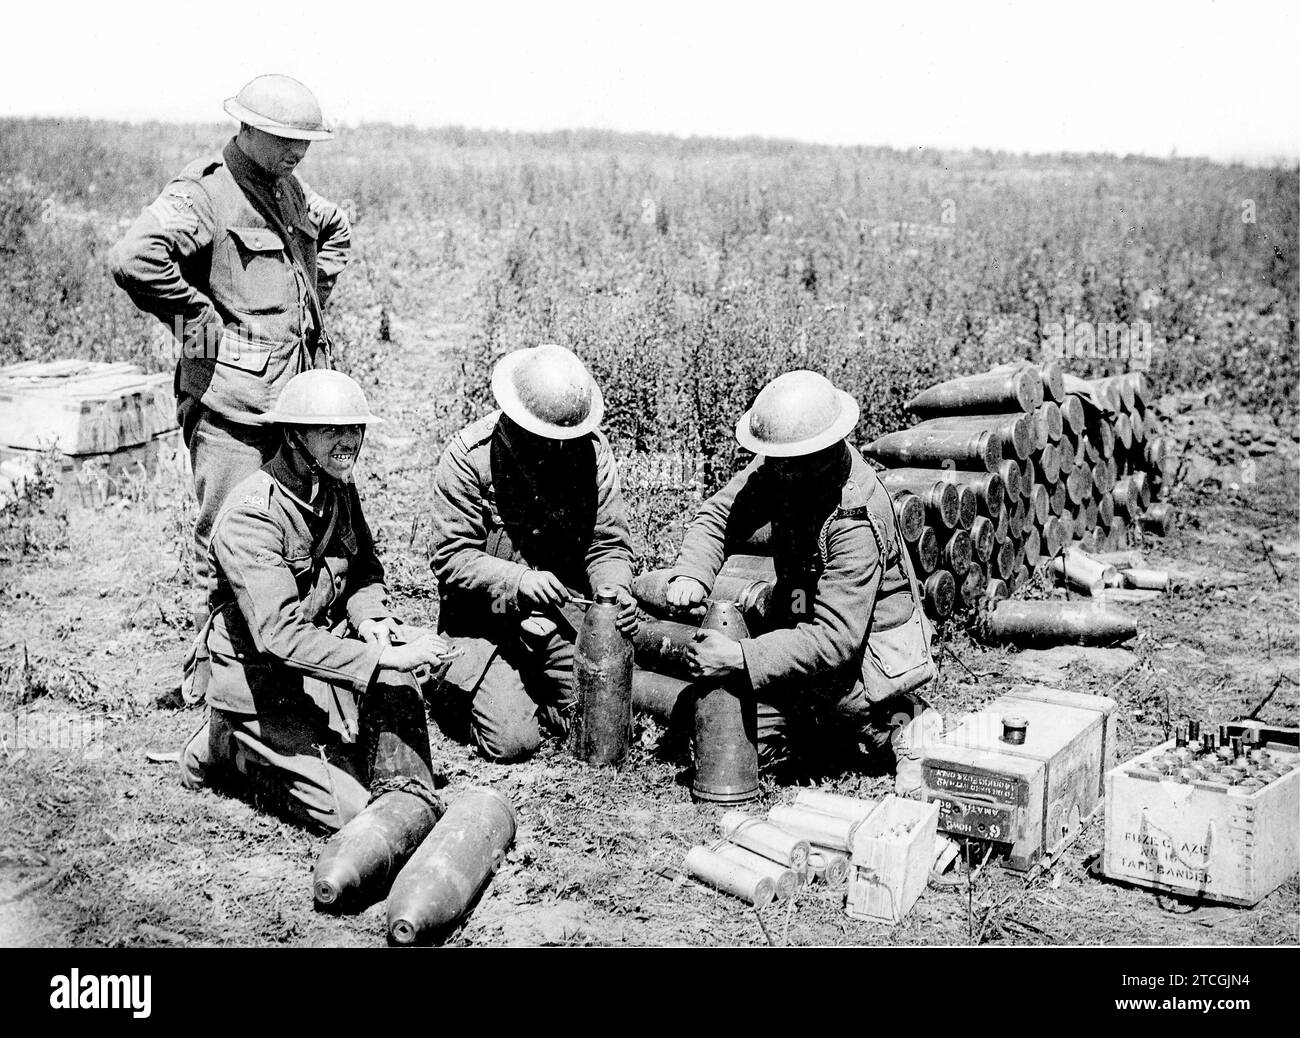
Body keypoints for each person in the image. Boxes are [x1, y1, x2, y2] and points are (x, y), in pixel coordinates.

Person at [109, 74, 352, 634]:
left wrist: (312, 308)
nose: (299, 152)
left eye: (307, 141)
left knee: (294, 525)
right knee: (225, 536)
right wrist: (197, 326)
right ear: (247, 128)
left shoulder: (288, 188)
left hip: (291, 397)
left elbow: (334, 227)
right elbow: (134, 258)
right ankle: (215, 669)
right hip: (230, 407)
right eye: (287, 139)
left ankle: (281, 646)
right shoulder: (203, 193)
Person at [179, 370, 448, 833]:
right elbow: (280, 636)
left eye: (354, 429)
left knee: (402, 689)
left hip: (317, 658)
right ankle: (229, 742)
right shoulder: (251, 516)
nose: (349, 442)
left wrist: (372, 621)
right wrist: (381, 658)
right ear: (293, 435)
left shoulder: (335, 486)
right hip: (261, 680)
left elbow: (363, 567)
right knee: (349, 813)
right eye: (331, 430)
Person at [662, 370, 942, 794]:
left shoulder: (855, 517)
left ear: (821, 453)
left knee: (843, 716)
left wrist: (739, 656)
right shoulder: (784, 464)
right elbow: (719, 516)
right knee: (758, 730)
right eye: (772, 459)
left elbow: (835, 640)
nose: (773, 470)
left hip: (865, 651)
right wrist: (693, 573)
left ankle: (907, 722)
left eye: (785, 462)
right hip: (804, 615)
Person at [430, 344, 639, 762]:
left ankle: (535, 690)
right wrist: (520, 581)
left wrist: (614, 593)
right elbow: (452, 556)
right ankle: (450, 688)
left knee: (609, 721)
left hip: (559, 620)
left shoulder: (592, 454)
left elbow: (608, 543)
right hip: (482, 625)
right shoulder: (469, 457)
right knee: (513, 743)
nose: (557, 448)